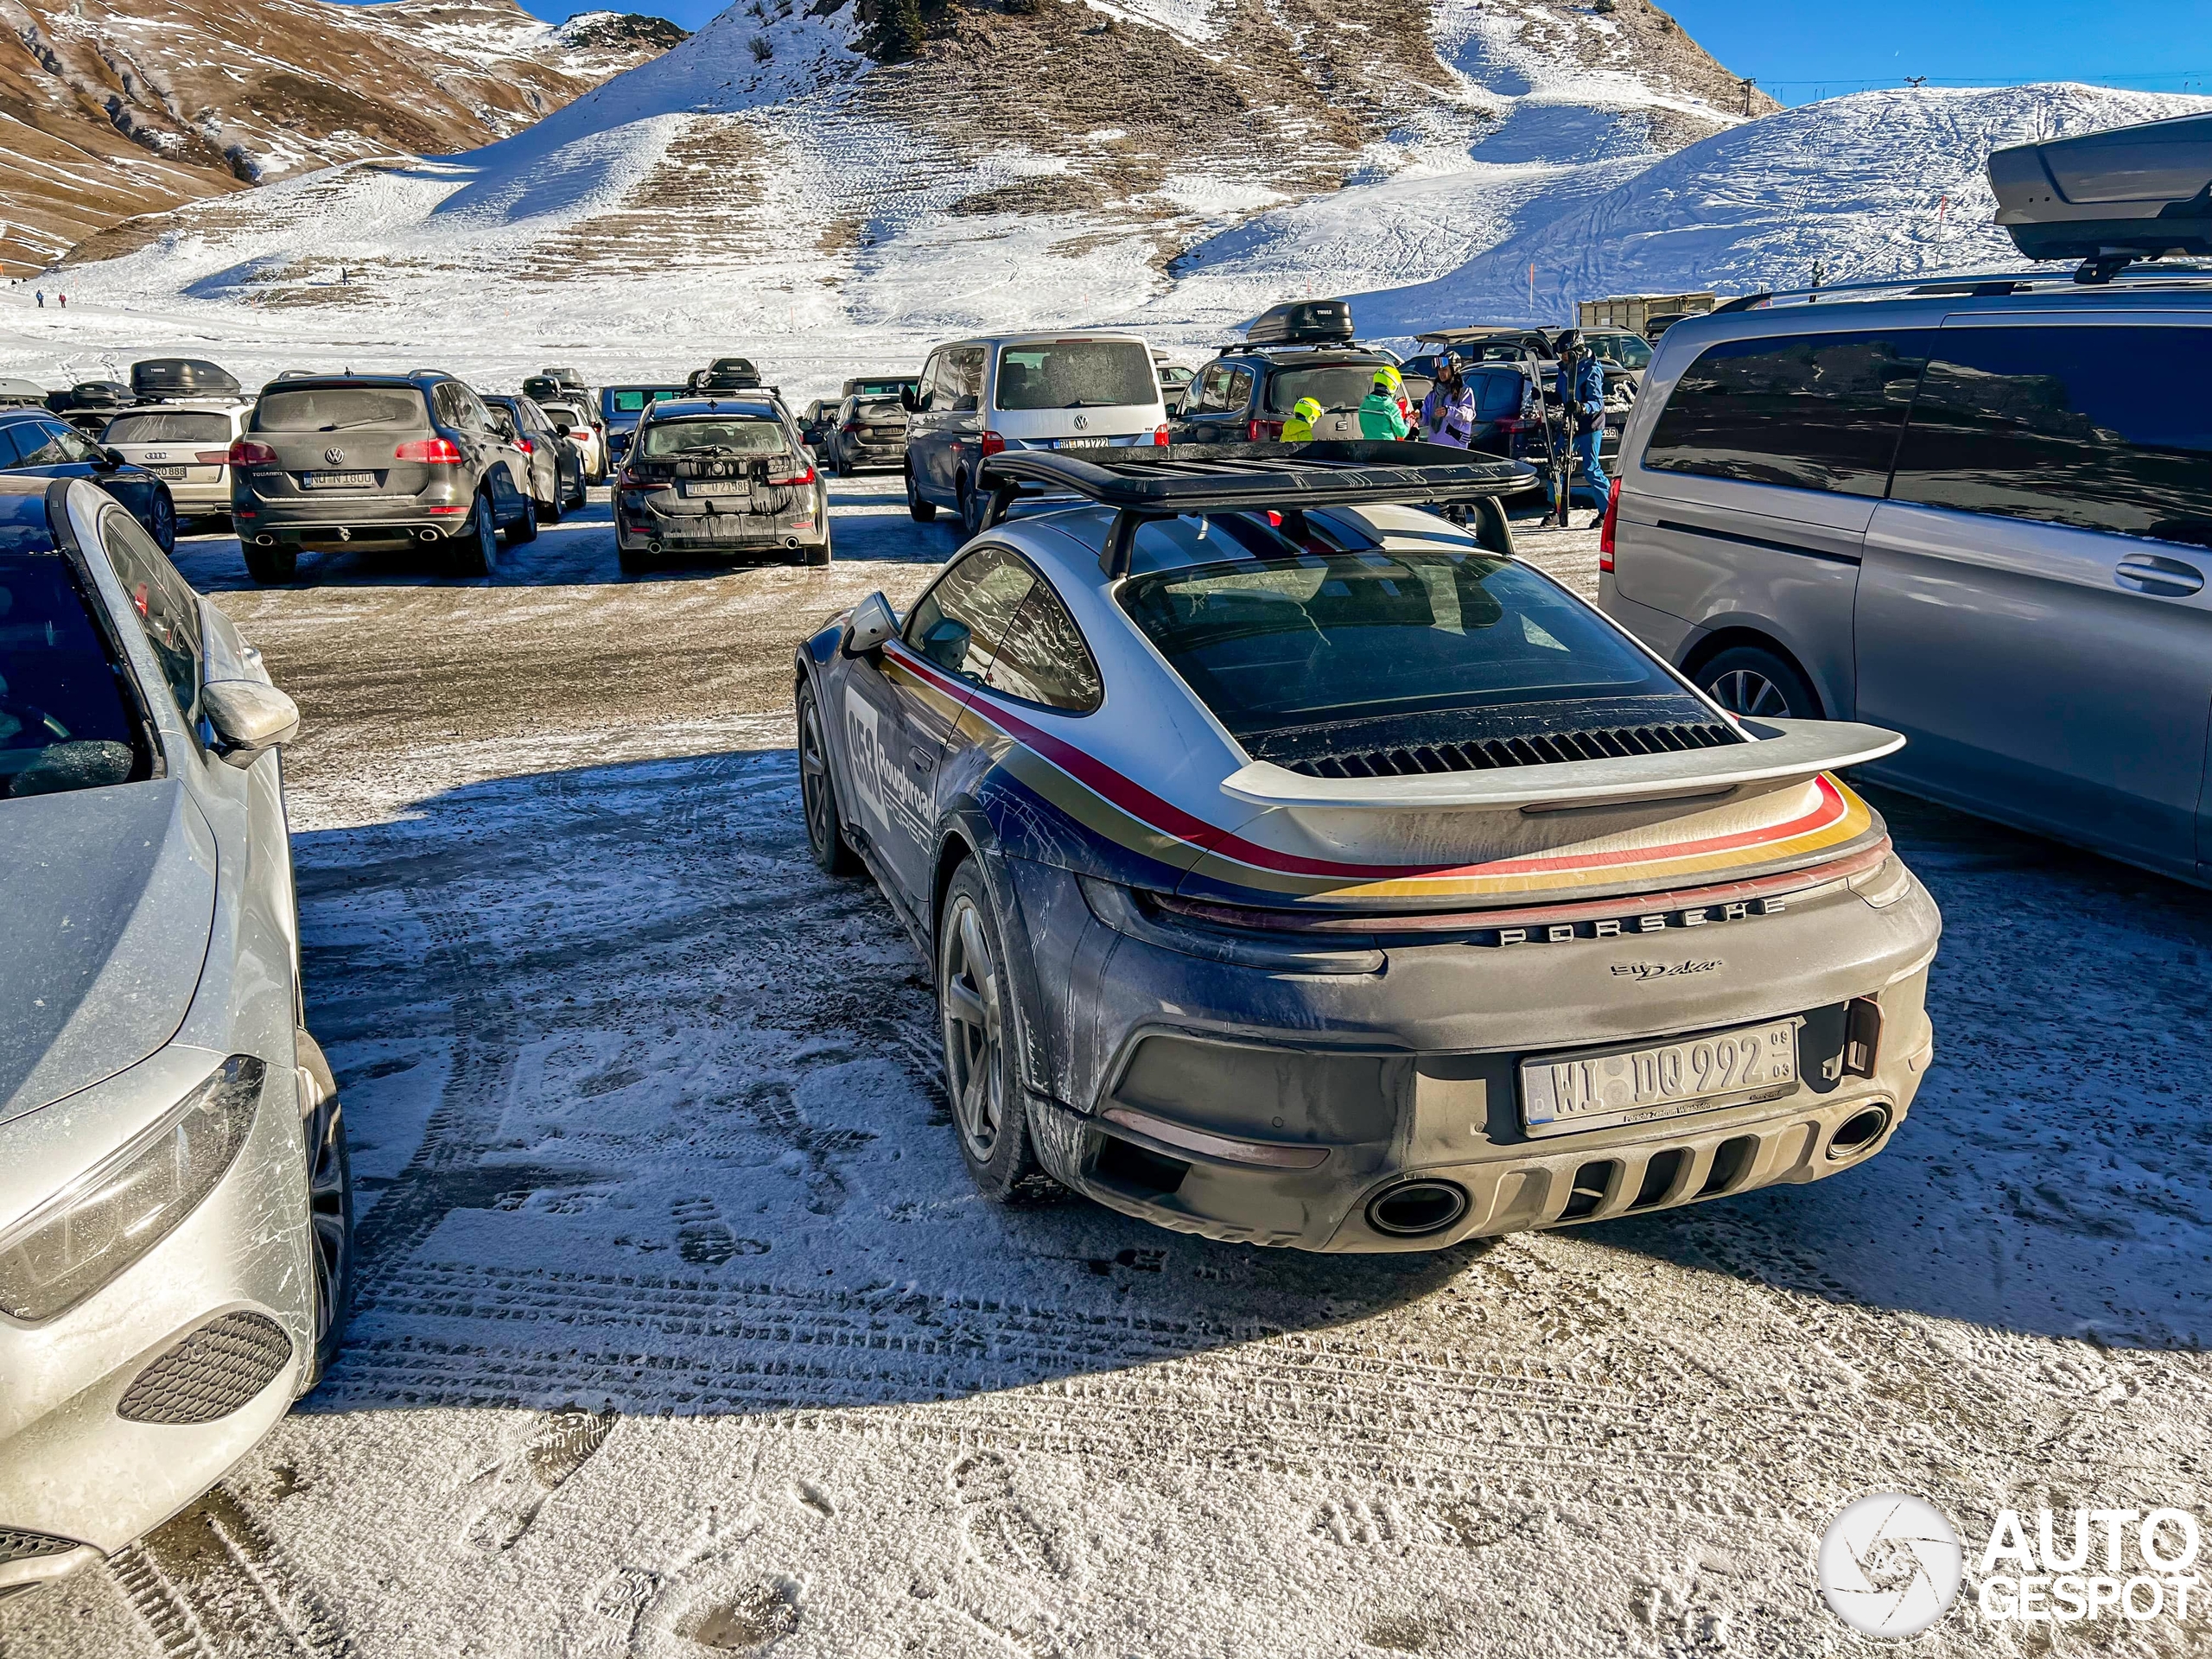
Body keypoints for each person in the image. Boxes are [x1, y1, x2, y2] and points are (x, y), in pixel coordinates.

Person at [1553, 329, 1607, 524]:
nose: (1563, 358)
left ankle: (1606, 510)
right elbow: (1562, 393)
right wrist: (1548, 397)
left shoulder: (1592, 369)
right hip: (1570, 423)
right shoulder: (1564, 369)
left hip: (1589, 424)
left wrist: (1582, 407)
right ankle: (1557, 507)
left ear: (1576, 351)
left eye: (1565, 354)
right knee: (1556, 464)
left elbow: (1597, 402)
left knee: (1591, 469)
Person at [1419, 356, 1478, 450]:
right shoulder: (1433, 395)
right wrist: (1419, 415)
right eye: (1439, 370)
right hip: (1434, 447)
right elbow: (1425, 420)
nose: (1441, 373)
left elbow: (1469, 414)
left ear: (1453, 370)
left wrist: (1449, 411)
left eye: (1444, 370)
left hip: (1454, 449)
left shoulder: (1464, 391)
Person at [1357, 366, 1410, 441]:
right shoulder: (1391, 408)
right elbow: (1402, 433)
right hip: (1386, 449)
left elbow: (1363, 429)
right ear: (1393, 387)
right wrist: (1407, 423)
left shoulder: (1364, 404)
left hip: (1368, 448)